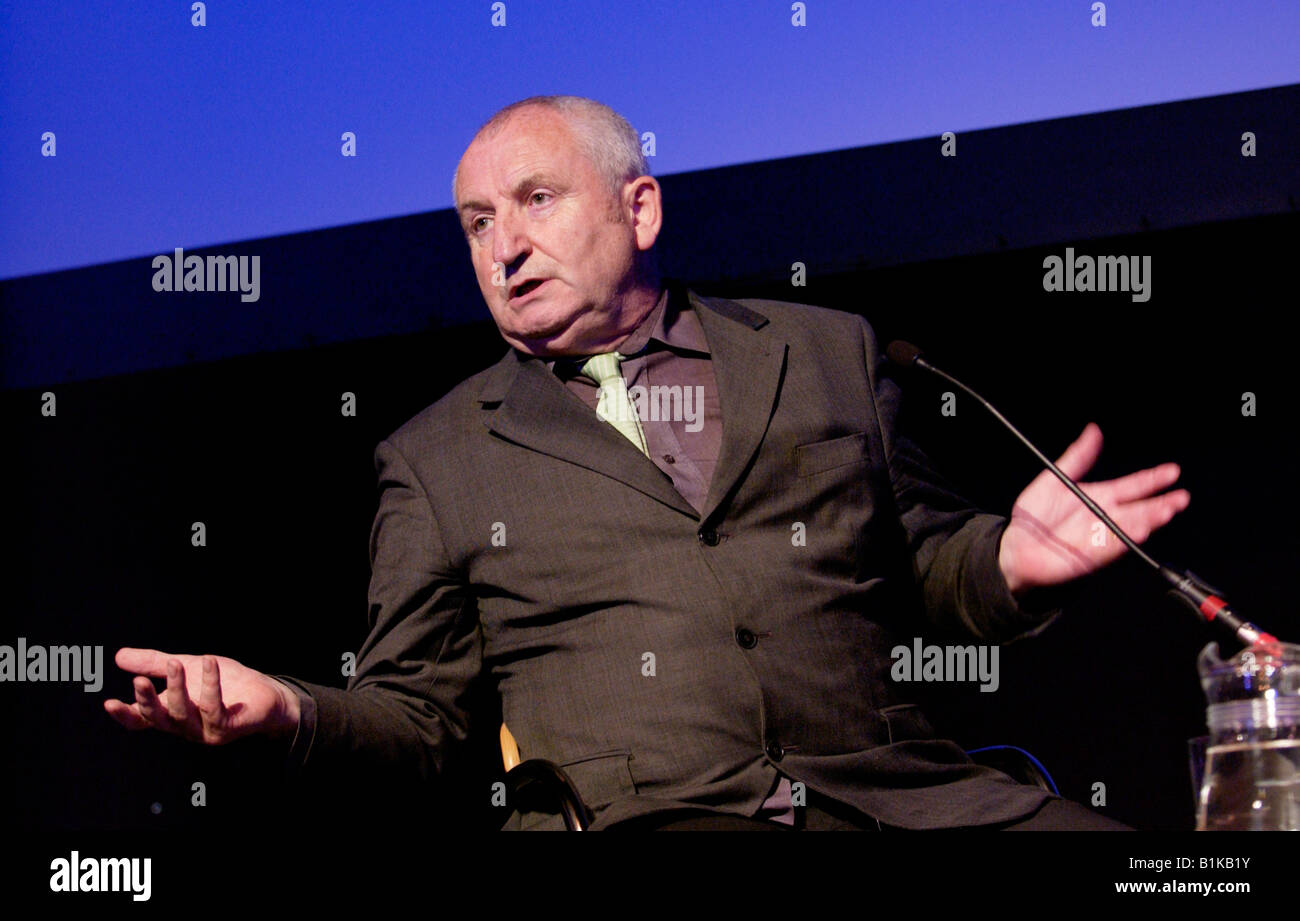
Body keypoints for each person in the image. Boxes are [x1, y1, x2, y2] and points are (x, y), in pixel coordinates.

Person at [105, 95, 1189, 830]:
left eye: (535, 201)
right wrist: (288, 708)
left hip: (903, 802)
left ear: (641, 206)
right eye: (476, 223)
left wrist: (1005, 561)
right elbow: (417, 719)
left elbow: (919, 565)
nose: (502, 247)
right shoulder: (438, 456)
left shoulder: (823, 352)